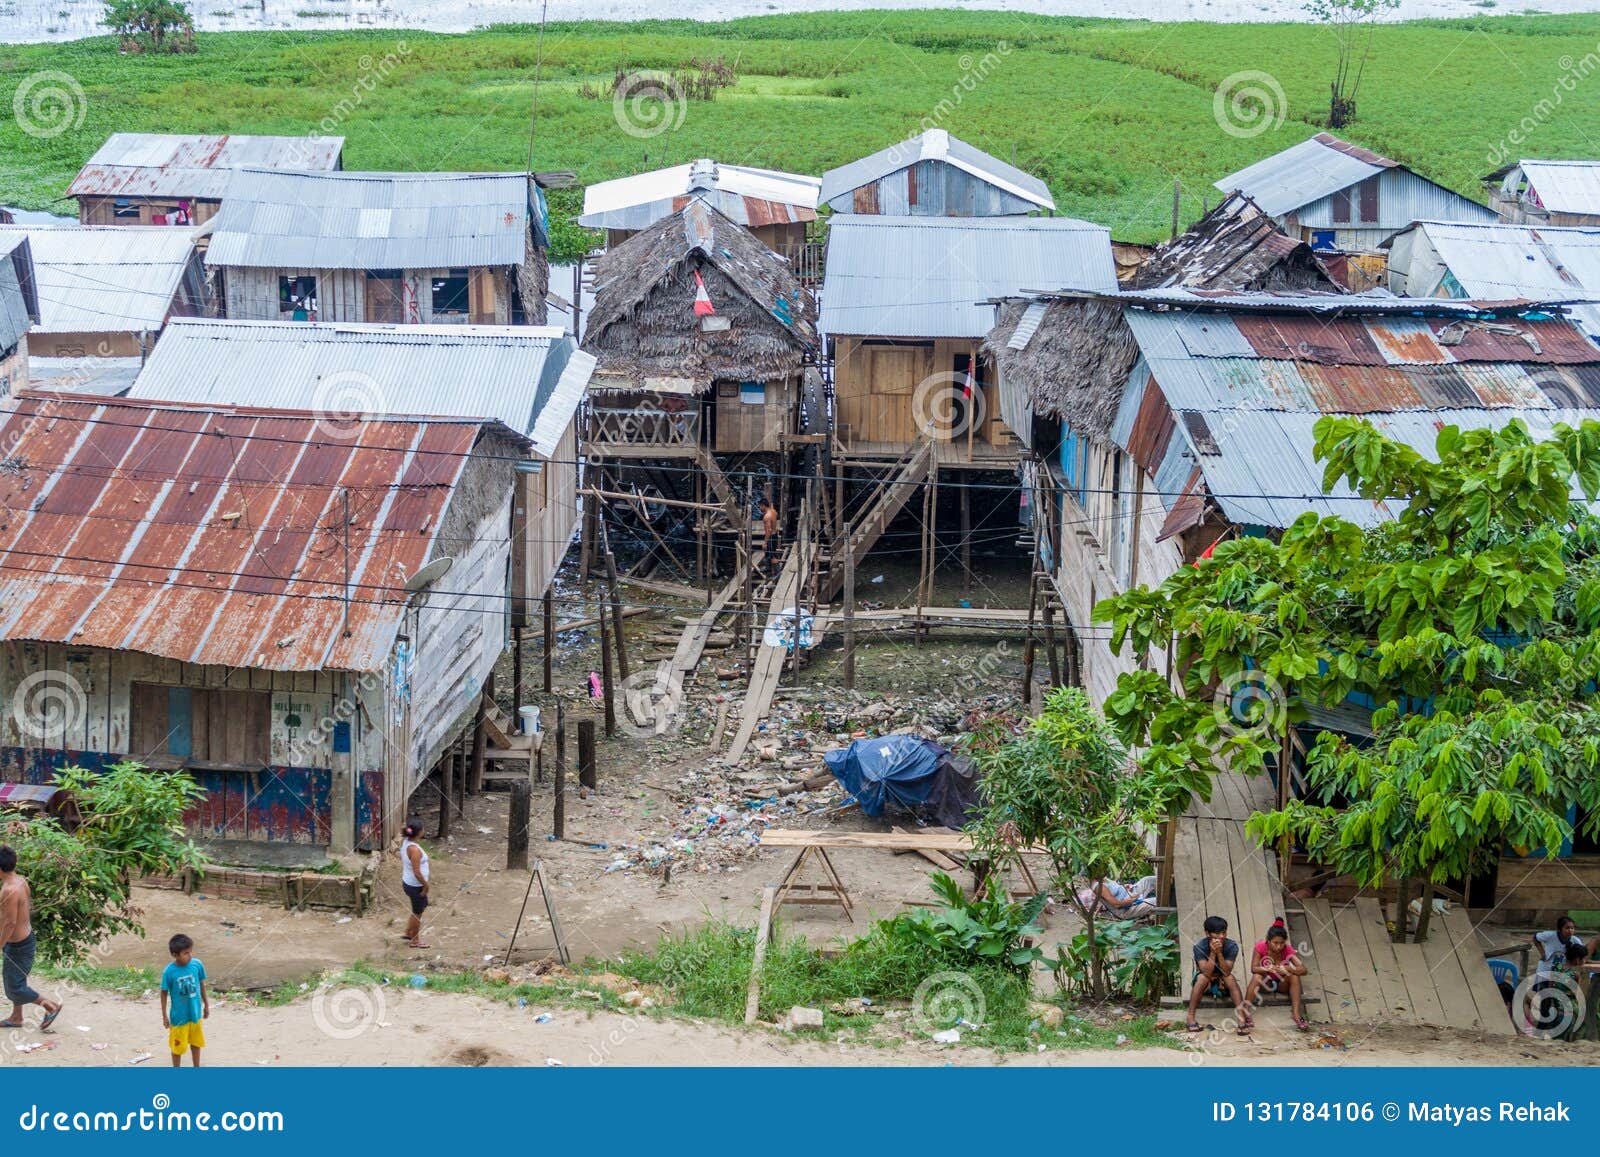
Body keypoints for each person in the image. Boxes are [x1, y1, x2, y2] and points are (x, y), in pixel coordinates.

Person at [0, 845, 61, 1031]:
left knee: (15, 987)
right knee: (13, 980)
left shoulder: (8, 890)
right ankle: (16, 1017)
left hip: (18, 945)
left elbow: (10, 923)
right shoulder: (20, 880)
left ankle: (51, 1006)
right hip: (23, 939)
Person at [1186, 915, 1251, 1033]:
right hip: (1206, 982)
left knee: (1230, 978)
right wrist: (1212, 953)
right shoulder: (1199, 947)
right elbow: (1206, 972)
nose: (1221, 936)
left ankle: (1241, 1019)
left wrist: (1219, 953)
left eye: (1224, 933)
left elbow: (1226, 971)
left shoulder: (1232, 946)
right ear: (1207, 933)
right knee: (1202, 978)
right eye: (1217, 934)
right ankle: (1190, 1017)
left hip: (1223, 981)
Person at [1244, 917, 1310, 1031]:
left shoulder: (1288, 950)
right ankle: (1245, 1012)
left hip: (1281, 985)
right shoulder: (1260, 947)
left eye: (1282, 943)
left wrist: (1289, 969)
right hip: (1266, 984)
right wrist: (1267, 969)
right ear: (1268, 941)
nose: (1279, 946)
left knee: (1294, 976)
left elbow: (1304, 970)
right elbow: (1253, 969)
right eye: (1275, 943)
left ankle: (1296, 1014)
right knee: (1257, 977)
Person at [160, 933, 208, 1067]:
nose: (190, 955)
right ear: (175, 955)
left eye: (190, 951)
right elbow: (163, 994)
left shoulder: (197, 965)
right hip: (179, 1018)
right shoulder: (168, 972)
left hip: (195, 1015)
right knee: (177, 1048)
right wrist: (164, 1015)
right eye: (186, 953)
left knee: (196, 1043)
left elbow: (202, 985)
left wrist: (206, 1005)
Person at [399, 822, 431, 949]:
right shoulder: (415, 850)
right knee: (418, 912)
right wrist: (426, 885)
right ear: (419, 832)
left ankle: (408, 932)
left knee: (418, 909)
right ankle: (415, 940)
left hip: (408, 882)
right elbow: (417, 872)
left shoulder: (406, 842)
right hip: (416, 885)